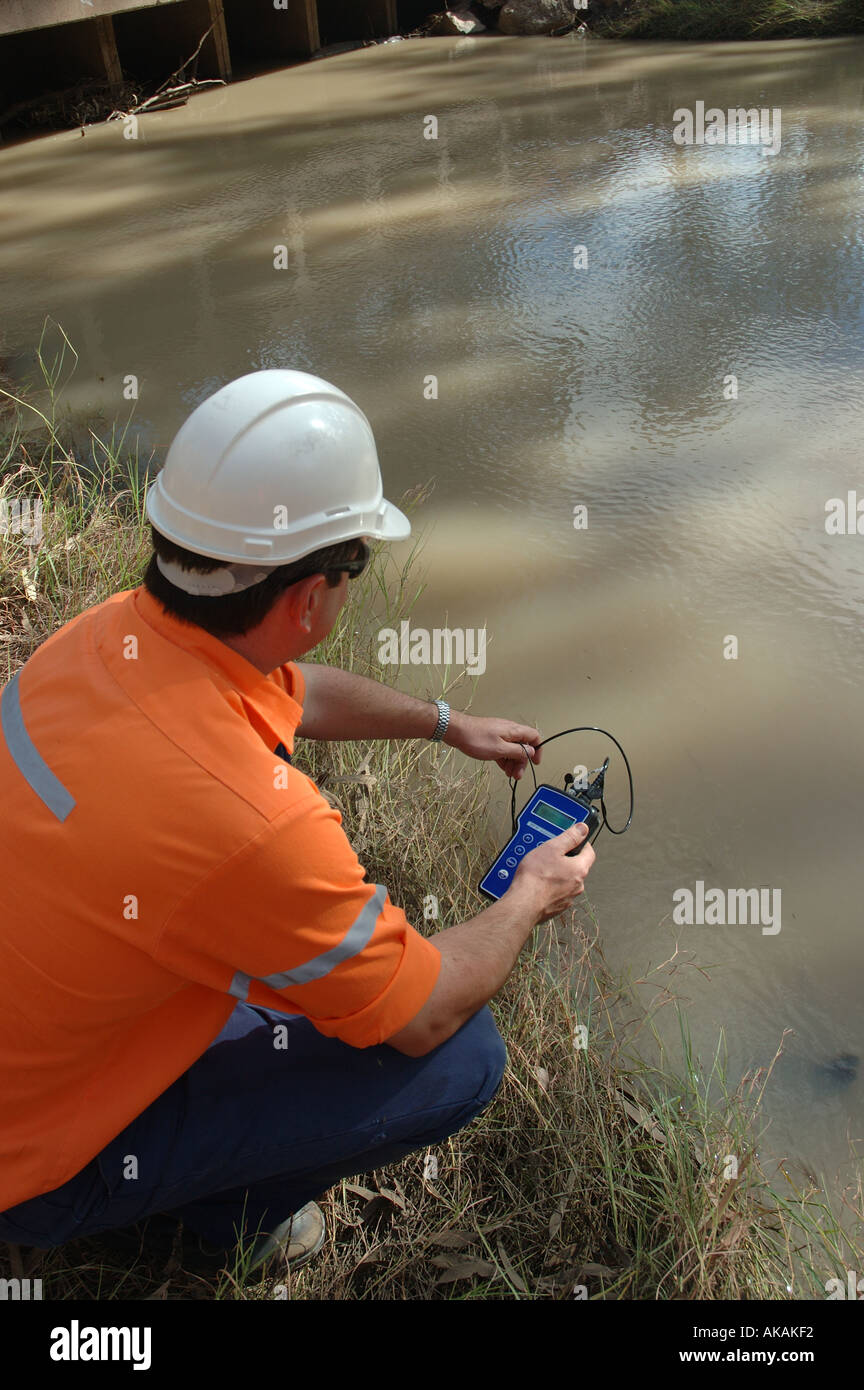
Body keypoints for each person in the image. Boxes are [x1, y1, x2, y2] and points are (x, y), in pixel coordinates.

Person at [0, 370, 595, 1274]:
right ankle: (226, 1215)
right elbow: (426, 1015)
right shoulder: (254, 826)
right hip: (30, 1166)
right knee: (465, 1060)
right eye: (354, 566)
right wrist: (528, 897)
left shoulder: (100, 641)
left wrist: (446, 724)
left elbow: (293, 689)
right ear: (308, 598)